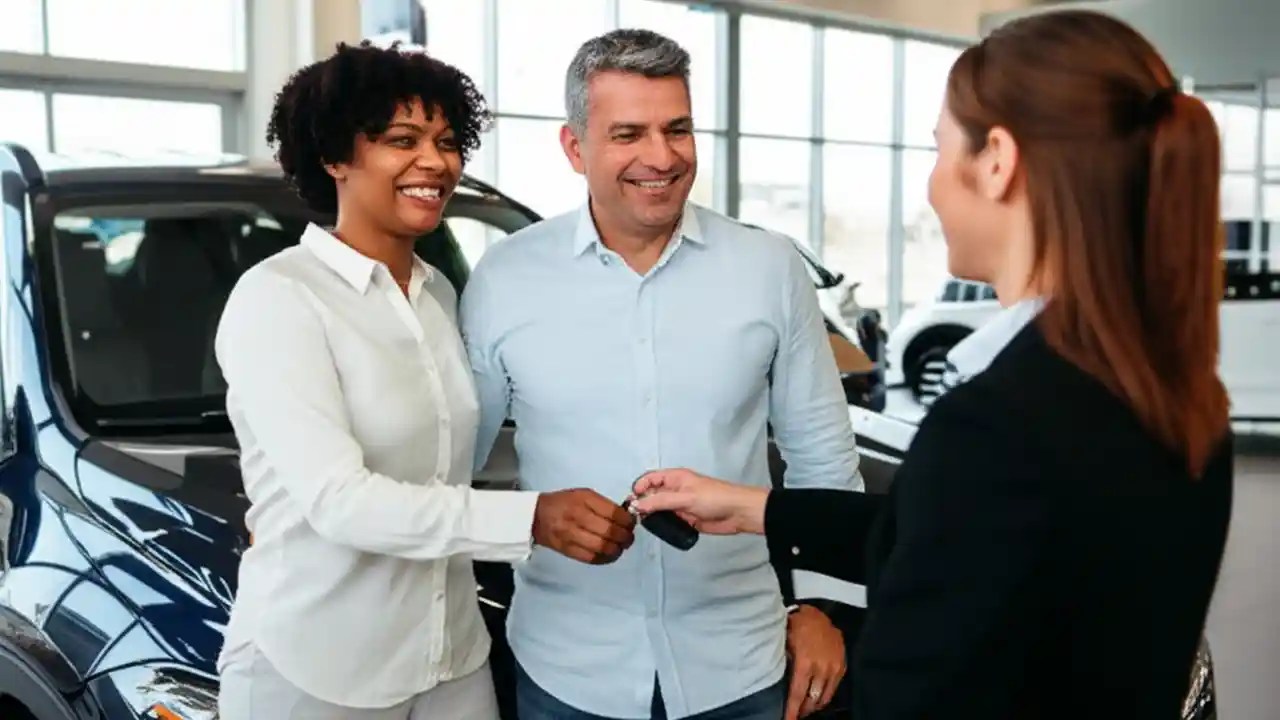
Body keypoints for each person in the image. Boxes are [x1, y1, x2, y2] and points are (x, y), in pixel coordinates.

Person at [630, 10, 1234, 719]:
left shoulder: (997, 426)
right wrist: (756, 508)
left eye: (940, 149)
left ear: (998, 160)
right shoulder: (1178, 395)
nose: (931, 186)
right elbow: (973, 543)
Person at [214, 41, 635, 720]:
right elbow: (341, 502)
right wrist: (533, 517)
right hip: (315, 668)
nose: (435, 163)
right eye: (401, 139)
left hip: (448, 653)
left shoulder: (438, 293)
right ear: (334, 156)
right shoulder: (280, 298)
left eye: (446, 141)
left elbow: (452, 467)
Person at [459, 28, 860, 720]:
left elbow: (823, 456)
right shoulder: (506, 279)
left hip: (741, 667)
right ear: (574, 147)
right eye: (629, 134)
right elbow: (450, 461)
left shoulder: (769, 268)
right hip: (567, 669)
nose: (662, 157)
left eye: (678, 129)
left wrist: (821, 605)